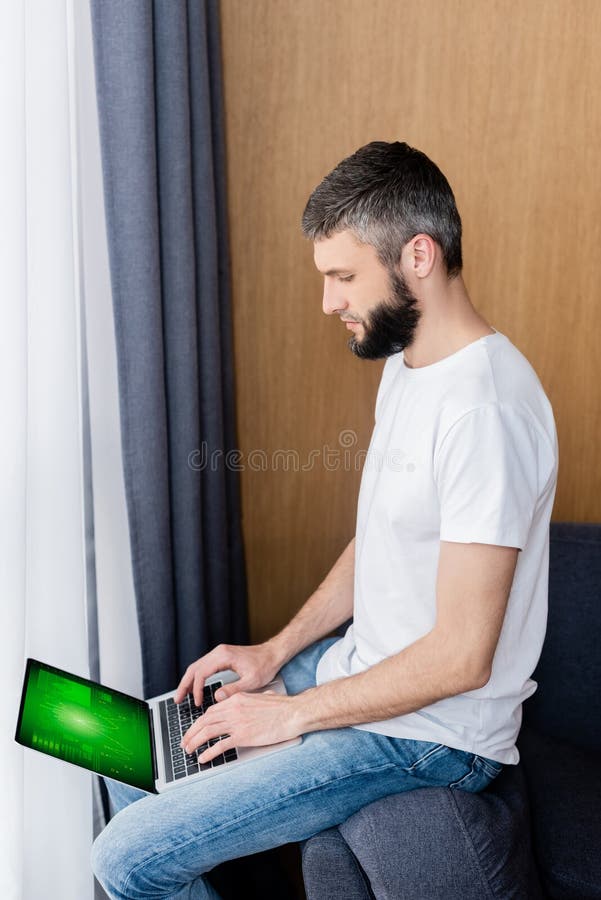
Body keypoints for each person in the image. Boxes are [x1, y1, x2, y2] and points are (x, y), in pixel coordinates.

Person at [91, 141, 558, 899]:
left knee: (127, 859)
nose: (328, 302)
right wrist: (273, 653)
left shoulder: (486, 411)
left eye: (343, 276)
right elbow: (381, 537)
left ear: (417, 256)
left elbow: (462, 659)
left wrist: (294, 717)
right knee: (136, 756)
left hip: (431, 735)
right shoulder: (408, 366)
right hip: (364, 673)